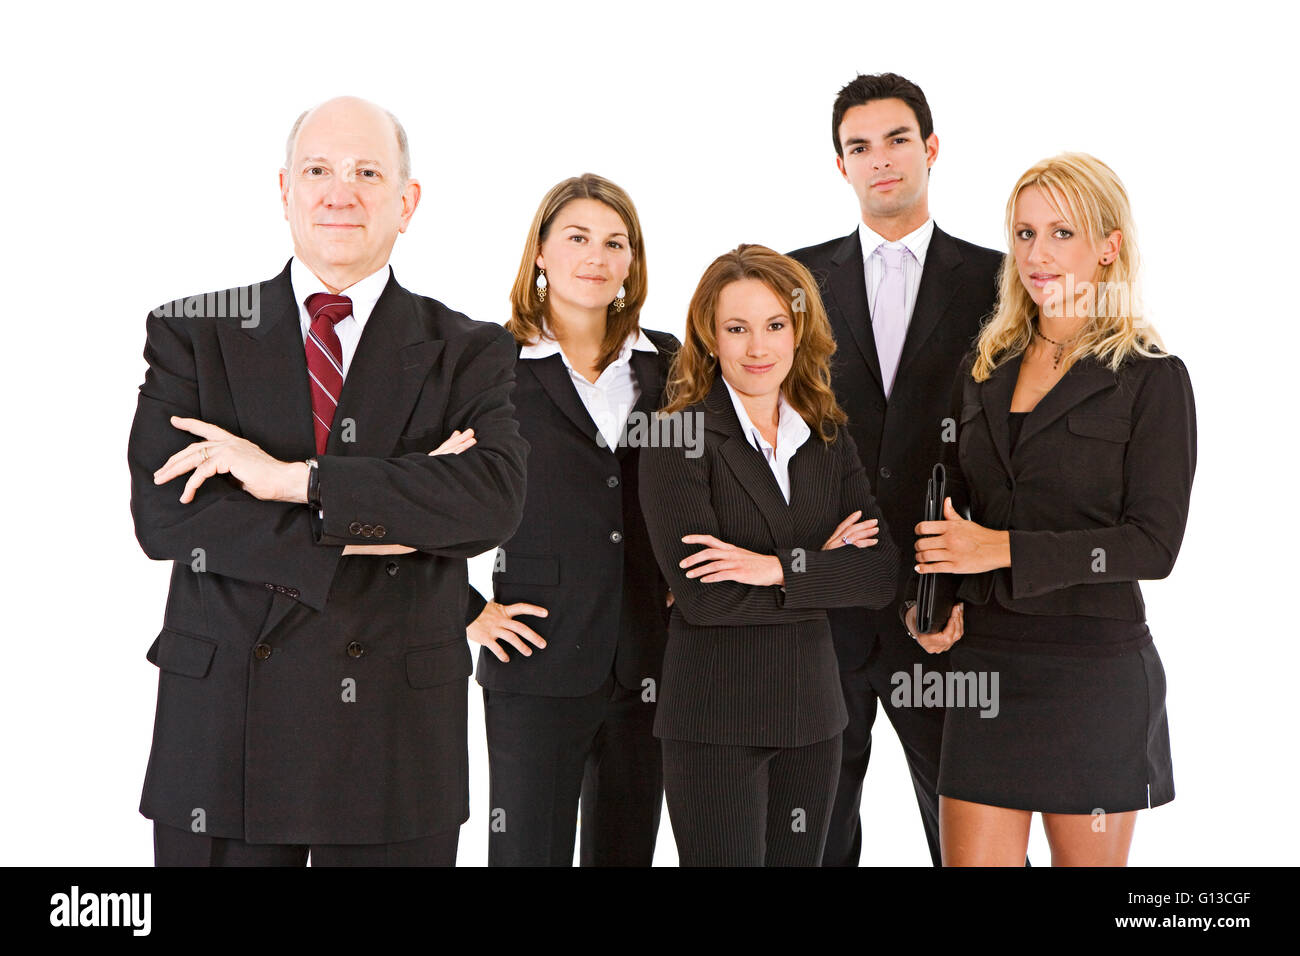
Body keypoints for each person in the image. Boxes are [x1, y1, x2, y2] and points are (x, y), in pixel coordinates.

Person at [127, 96, 527, 866]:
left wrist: (291, 481)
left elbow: (490, 503)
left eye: (367, 173)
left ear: (407, 202)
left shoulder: (468, 349)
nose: (340, 192)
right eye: (318, 171)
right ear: (285, 191)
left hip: (395, 742)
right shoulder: (194, 332)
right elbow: (169, 518)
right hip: (225, 735)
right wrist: (389, 528)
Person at [906, 152, 1196, 866]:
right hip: (986, 668)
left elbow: (1153, 545)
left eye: (1062, 233)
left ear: (1108, 246)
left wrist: (1002, 549)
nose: (1038, 254)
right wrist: (934, 601)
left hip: (1092, 673)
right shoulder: (985, 368)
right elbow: (953, 505)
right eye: (1025, 233)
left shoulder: (1151, 378)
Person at [787, 72, 1002, 866]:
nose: (880, 159)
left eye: (897, 139)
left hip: (941, 608)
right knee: (812, 833)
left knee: (974, 836)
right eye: (860, 146)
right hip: (823, 605)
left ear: (931, 148)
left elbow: (1014, 450)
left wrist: (969, 589)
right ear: (840, 164)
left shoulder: (1000, 281)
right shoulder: (792, 281)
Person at [639, 244, 899, 866]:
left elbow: (880, 573)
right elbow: (704, 598)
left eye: (775, 325)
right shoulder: (678, 434)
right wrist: (823, 570)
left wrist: (776, 567)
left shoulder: (826, 432)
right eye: (737, 329)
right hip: (716, 721)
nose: (758, 347)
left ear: (798, 329)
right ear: (710, 336)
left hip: (813, 717)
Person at [464, 174, 678, 866]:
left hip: (648, 662)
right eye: (578, 237)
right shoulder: (487, 363)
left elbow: (709, 483)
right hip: (534, 661)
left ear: (632, 261)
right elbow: (417, 492)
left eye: (616, 242)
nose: (597, 256)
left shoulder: (671, 363)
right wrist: (466, 609)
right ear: (541, 253)